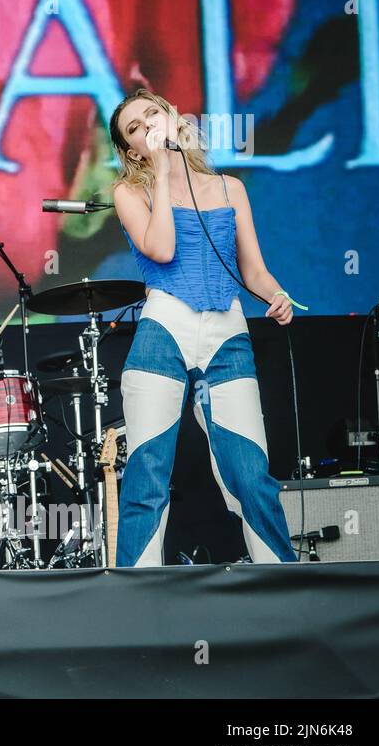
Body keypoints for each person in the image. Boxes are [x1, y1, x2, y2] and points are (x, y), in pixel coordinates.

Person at [109, 88, 297, 566]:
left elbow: (252, 269)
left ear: (172, 116)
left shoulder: (230, 187)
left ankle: (285, 589)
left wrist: (276, 295)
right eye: (135, 128)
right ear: (133, 150)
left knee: (251, 473)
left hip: (227, 331)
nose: (148, 125)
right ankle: (136, 599)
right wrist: (166, 168)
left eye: (153, 113)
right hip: (164, 327)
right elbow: (163, 250)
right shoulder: (130, 191)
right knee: (147, 473)